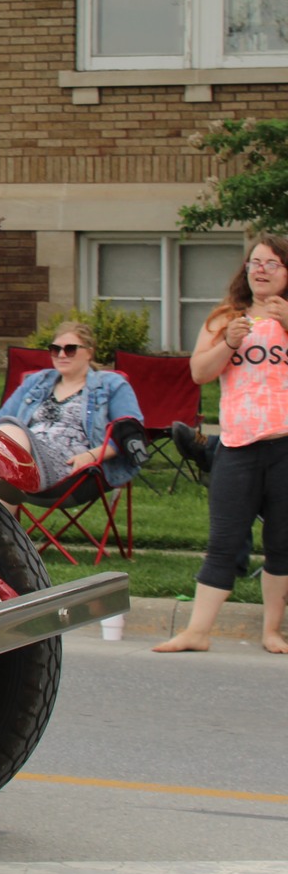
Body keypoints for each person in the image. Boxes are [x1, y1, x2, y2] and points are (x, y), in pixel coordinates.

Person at [153, 235, 288, 655]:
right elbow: (198, 372)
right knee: (224, 540)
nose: (261, 269)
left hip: (284, 445)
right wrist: (229, 341)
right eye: (255, 262)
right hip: (237, 445)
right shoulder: (225, 318)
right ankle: (197, 631)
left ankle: (271, 630)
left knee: (282, 543)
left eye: (272, 263)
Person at [0, 321, 146, 493]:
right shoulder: (37, 382)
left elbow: (131, 433)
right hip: (22, 455)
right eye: (55, 349)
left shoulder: (110, 385)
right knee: (4, 431)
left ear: (89, 352)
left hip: (72, 466)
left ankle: (0, 501)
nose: (61, 355)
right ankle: (0, 496)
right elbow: (0, 418)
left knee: (8, 434)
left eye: (70, 349)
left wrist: (91, 456)